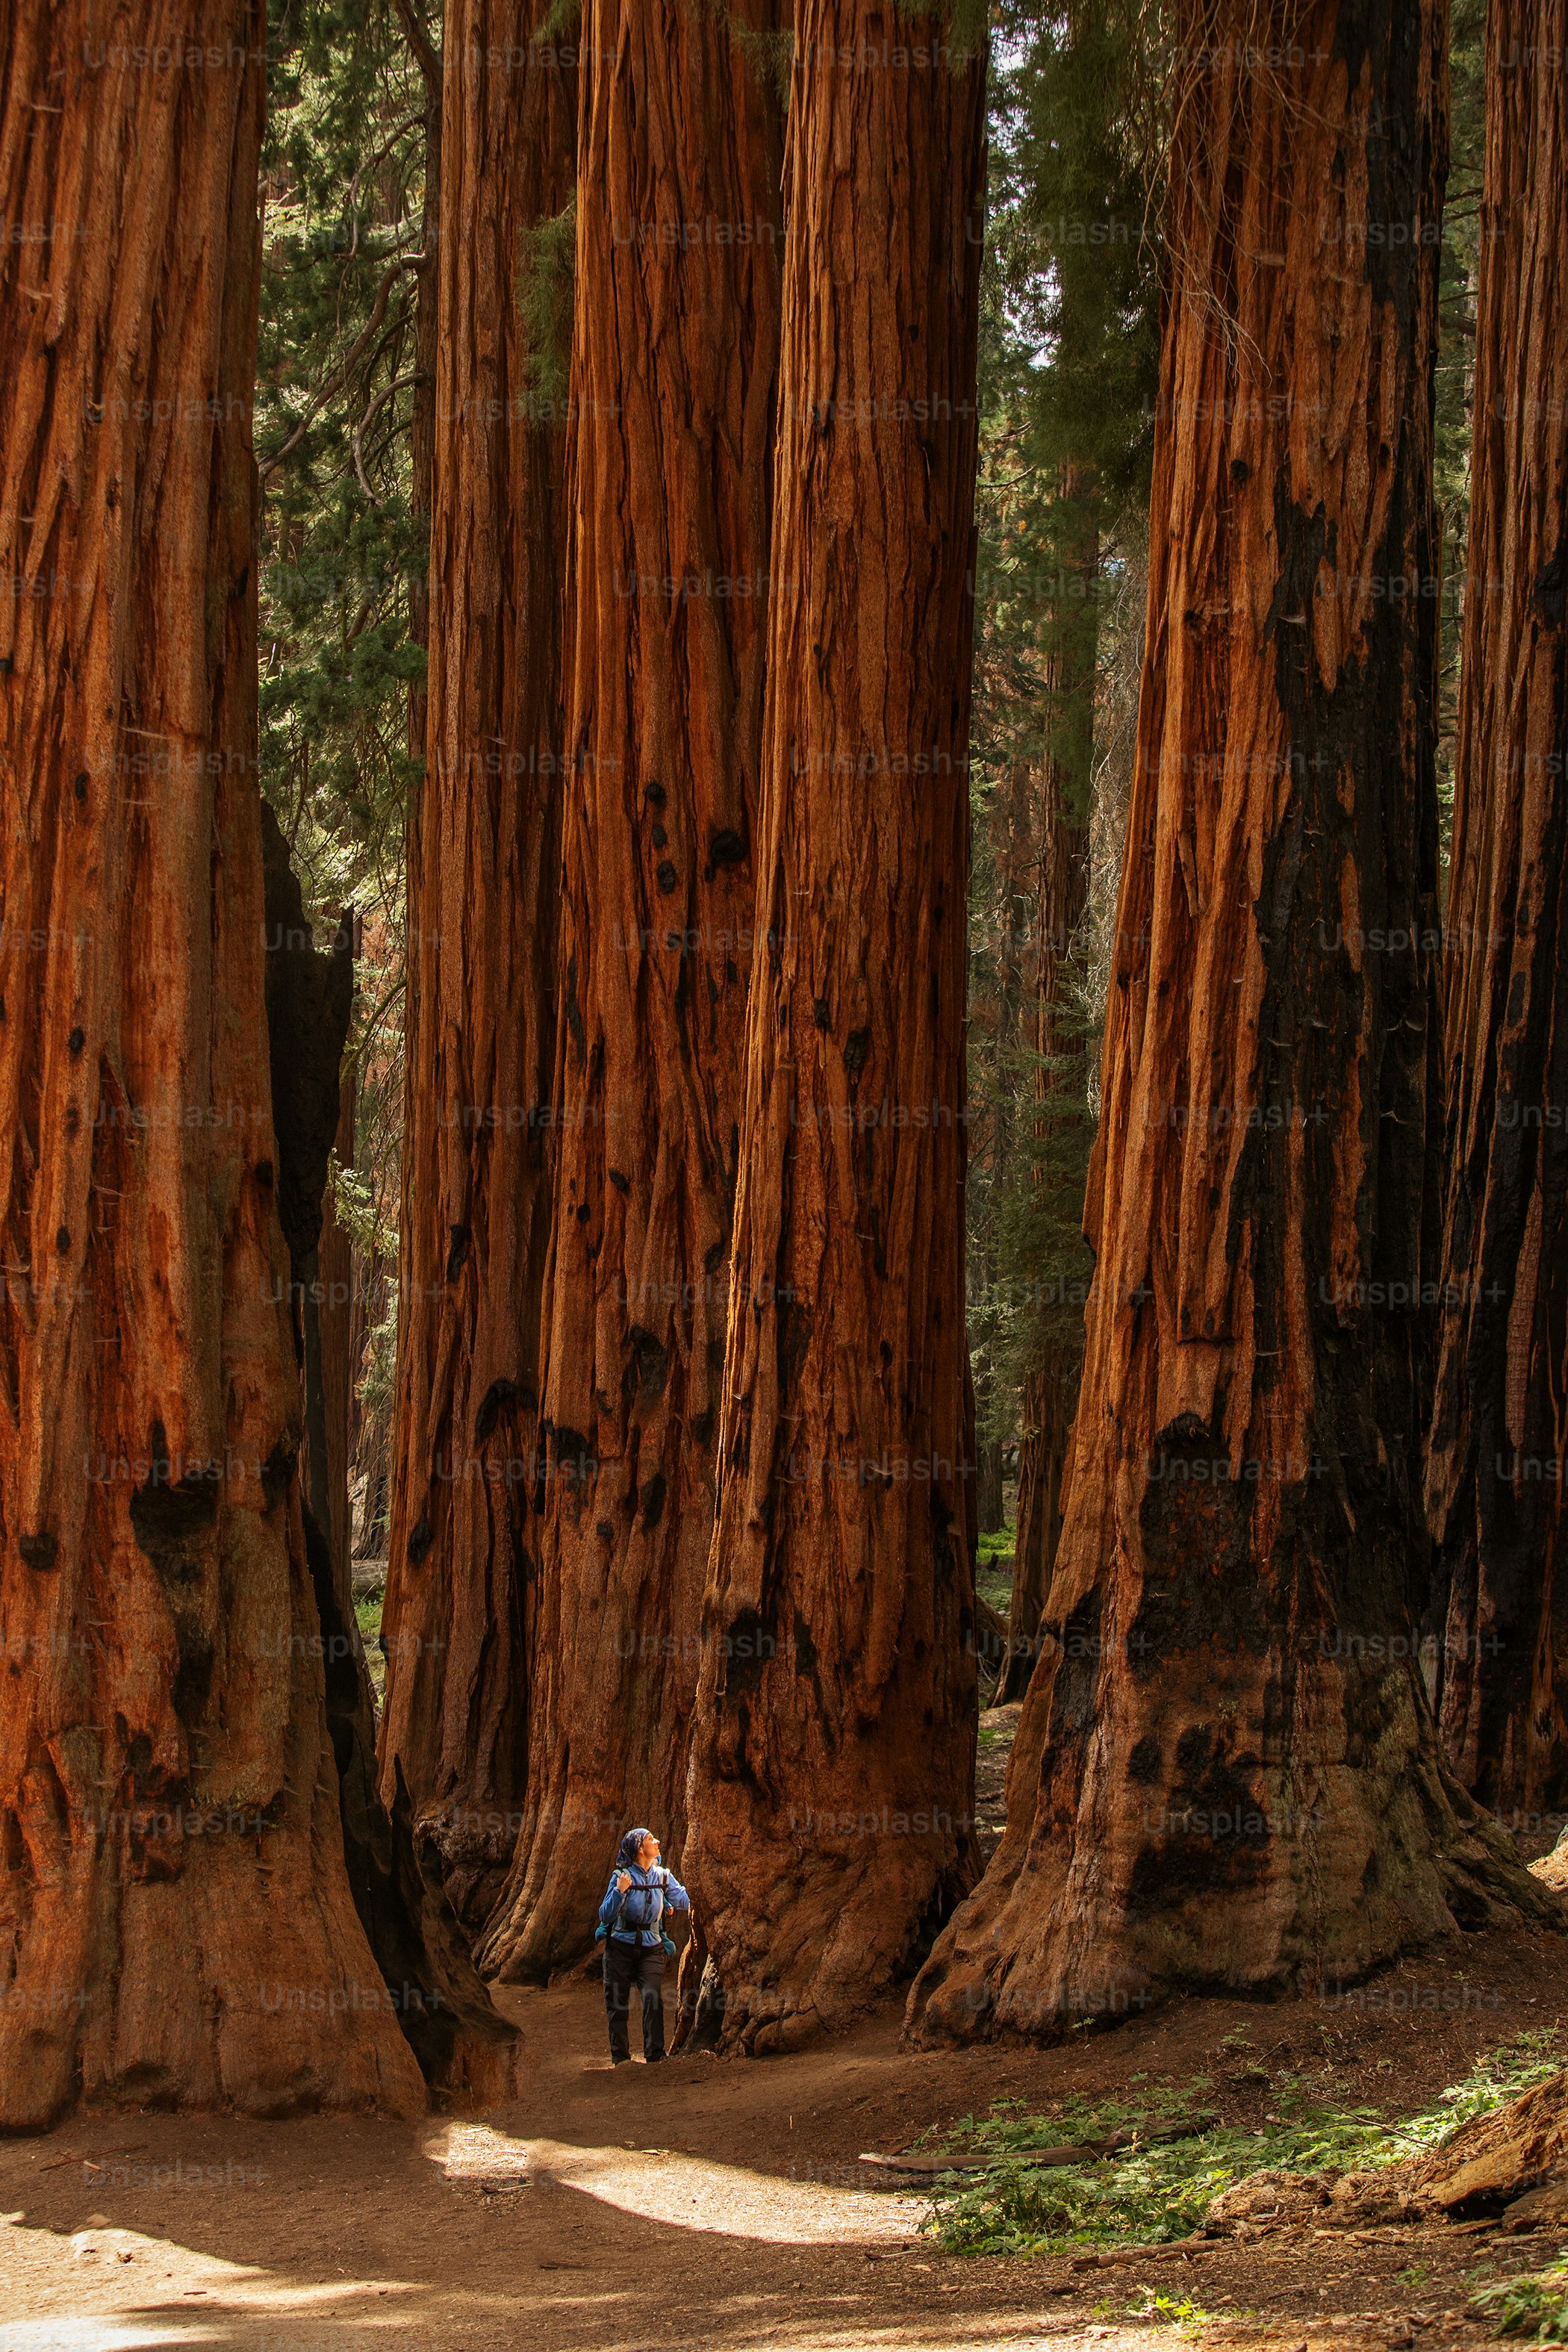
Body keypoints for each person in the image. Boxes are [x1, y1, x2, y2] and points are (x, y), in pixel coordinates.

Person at [598, 1826, 689, 2065]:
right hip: (620, 1947)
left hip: (651, 1948)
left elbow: (684, 1898)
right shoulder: (621, 1877)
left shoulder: (663, 1876)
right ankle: (621, 2058)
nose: (657, 1841)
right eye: (650, 1839)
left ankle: (655, 2054)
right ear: (640, 1848)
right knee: (617, 2001)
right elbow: (606, 1915)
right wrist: (619, 1892)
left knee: (652, 1996)